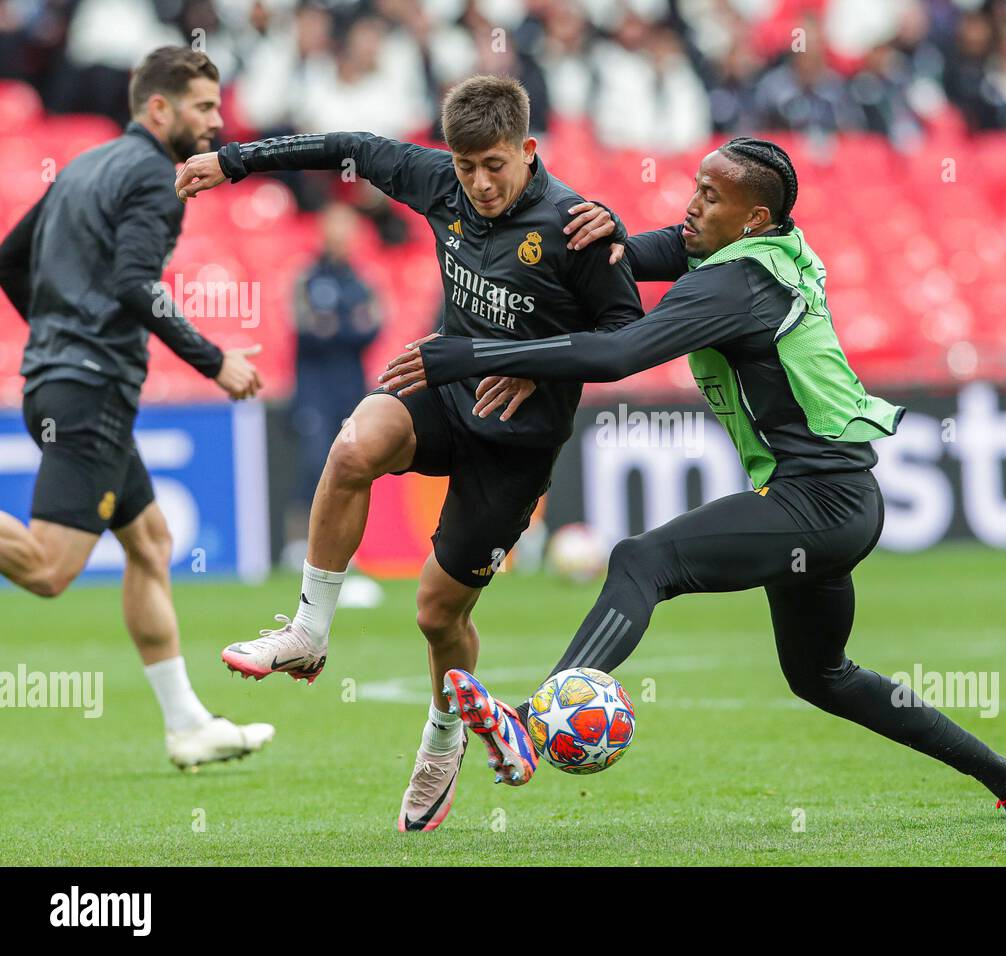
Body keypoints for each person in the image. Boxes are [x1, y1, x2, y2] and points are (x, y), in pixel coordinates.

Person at [382, 137, 1006, 817]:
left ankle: (531, 726)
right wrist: (603, 231)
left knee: (643, 560)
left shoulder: (738, 281)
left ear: (753, 220)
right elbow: (628, 257)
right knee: (822, 676)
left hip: (817, 498)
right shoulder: (758, 249)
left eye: (710, 197)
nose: (692, 205)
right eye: (696, 187)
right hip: (840, 500)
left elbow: (621, 352)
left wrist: (470, 353)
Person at [173, 74, 644, 830]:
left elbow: (626, 346)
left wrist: (530, 360)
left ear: (527, 150)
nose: (481, 184)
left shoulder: (578, 227)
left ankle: (442, 738)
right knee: (356, 443)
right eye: (466, 168)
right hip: (447, 391)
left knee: (435, 615)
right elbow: (351, 148)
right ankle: (308, 630)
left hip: (516, 445)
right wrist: (235, 160)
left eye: (495, 165)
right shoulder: (442, 184)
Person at [0, 46, 273, 770]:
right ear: (159, 109)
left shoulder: (85, 164)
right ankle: (186, 723)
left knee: (149, 543)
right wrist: (216, 360)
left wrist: (59, 338)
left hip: (65, 380)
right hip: (89, 390)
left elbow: (7, 258)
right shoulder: (157, 176)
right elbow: (134, 284)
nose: (217, 121)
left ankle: (187, 724)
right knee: (51, 572)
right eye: (204, 107)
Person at [288, 203, 381, 535]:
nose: (342, 238)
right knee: (314, 464)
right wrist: (347, 327)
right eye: (336, 230)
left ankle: (342, 542)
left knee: (351, 464)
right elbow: (306, 328)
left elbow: (373, 327)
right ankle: (300, 541)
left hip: (351, 388)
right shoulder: (307, 278)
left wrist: (334, 327)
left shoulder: (363, 280)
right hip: (314, 388)